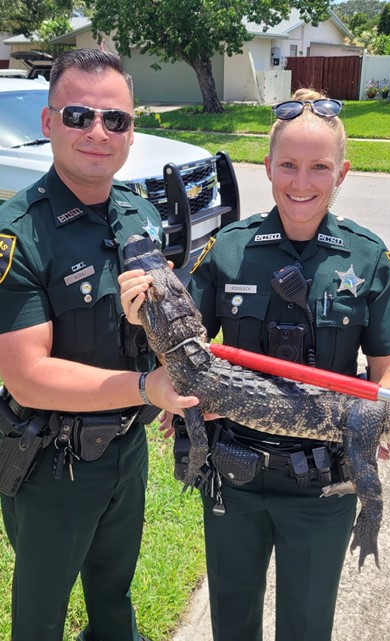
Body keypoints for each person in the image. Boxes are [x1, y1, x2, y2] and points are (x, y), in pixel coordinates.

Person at [121, 88, 390, 640]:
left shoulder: (368, 255)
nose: (301, 182)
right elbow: (180, 340)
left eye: (319, 167)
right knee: (232, 625)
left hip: (323, 484)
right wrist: (140, 317)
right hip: (233, 479)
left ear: (343, 173)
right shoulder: (231, 247)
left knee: (306, 629)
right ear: (266, 168)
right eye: (287, 165)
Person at [0, 49, 199, 641]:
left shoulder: (139, 214)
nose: (97, 131)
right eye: (78, 115)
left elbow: (155, 326)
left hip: (126, 451)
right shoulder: (19, 232)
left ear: (131, 132)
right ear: (48, 121)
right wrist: (147, 387)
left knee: (114, 596)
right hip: (51, 464)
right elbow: (26, 375)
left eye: (115, 119)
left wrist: (170, 370)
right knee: (41, 613)